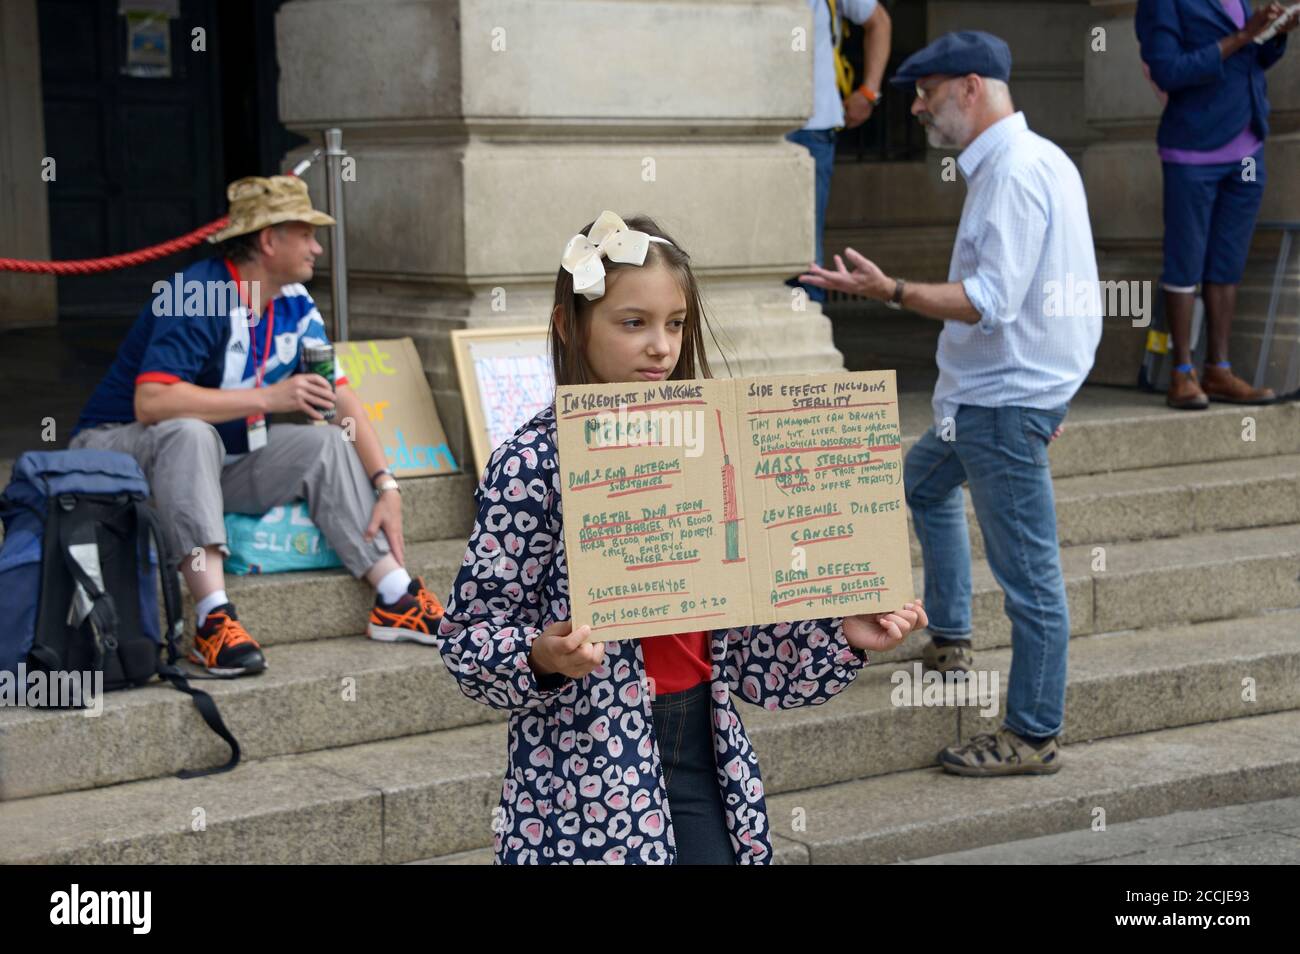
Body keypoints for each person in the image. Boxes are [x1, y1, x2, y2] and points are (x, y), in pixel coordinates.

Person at [438, 210, 927, 864]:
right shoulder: (532, 463)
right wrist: (541, 655)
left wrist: (840, 633)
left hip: (705, 751)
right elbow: (469, 638)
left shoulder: (717, 447)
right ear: (569, 326)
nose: (660, 347)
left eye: (675, 324)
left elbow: (754, 657)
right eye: (632, 322)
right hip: (584, 779)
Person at [800, 32, 1101, 776]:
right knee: (921, 483)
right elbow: (1070, 300)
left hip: (1001, 405)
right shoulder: (1039, 160)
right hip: (990, 400)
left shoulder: (1011, 173)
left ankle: (1031, 733)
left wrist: (889, 291)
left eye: (927, 90)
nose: (917, 105)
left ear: (970, 86)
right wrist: (1056, 391)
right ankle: (953, 631)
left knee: (1031, 581)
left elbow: (988, 302)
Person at [69, 175, 444, 677]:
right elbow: (151, 401)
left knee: (327, 443)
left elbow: (342, 397)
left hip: (212, 466)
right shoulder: (196, 293)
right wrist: (270, 396)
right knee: (188, 431)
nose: (316, 247)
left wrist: (387, 483)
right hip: (118, 457)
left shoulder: (294, 302)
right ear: (269, 240)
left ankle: (395, 594)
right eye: (305, 233)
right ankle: (212, 619)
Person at [1136, 0, 1294, 409]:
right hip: (1193, 150)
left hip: (1247, 148)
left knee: (1228, 258)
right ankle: (1182, 373)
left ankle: (1218, 370)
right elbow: (1169, 71)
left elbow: (1250, 60)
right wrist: (1242, 35)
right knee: (1185, 259)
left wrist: (1275, 34)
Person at [788, 0, 892, 304]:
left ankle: (805, 325)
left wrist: (870, 92)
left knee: (803, 243)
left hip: (811, 128)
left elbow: (879, 21)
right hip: (749, 124)